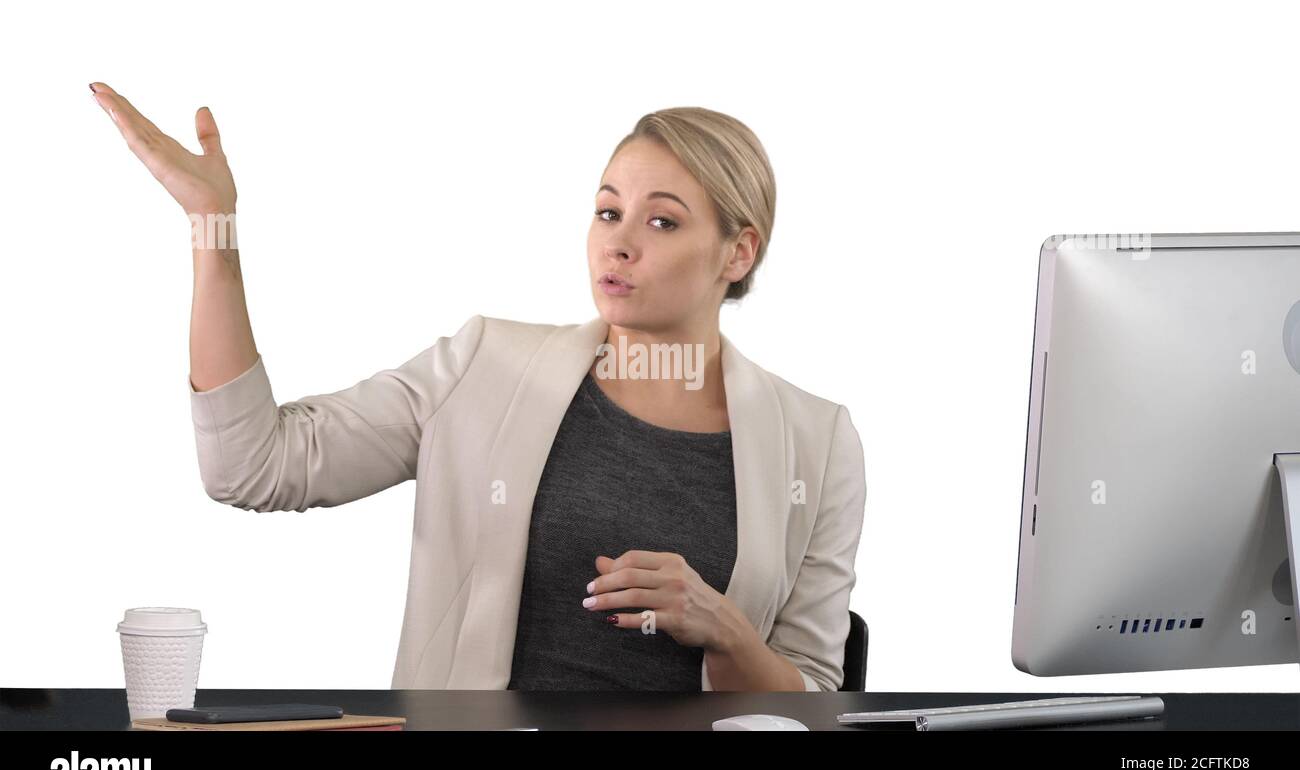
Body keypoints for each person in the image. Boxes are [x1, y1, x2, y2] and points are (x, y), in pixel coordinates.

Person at [89, 81, 867, 692]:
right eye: (607, 211)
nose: (620, 242)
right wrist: (211, 226)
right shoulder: (485, 366)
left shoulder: (818, 444)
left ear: (739, 252)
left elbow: (819, 698)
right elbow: (255, 463)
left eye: (662, 222)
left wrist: (726, 628)